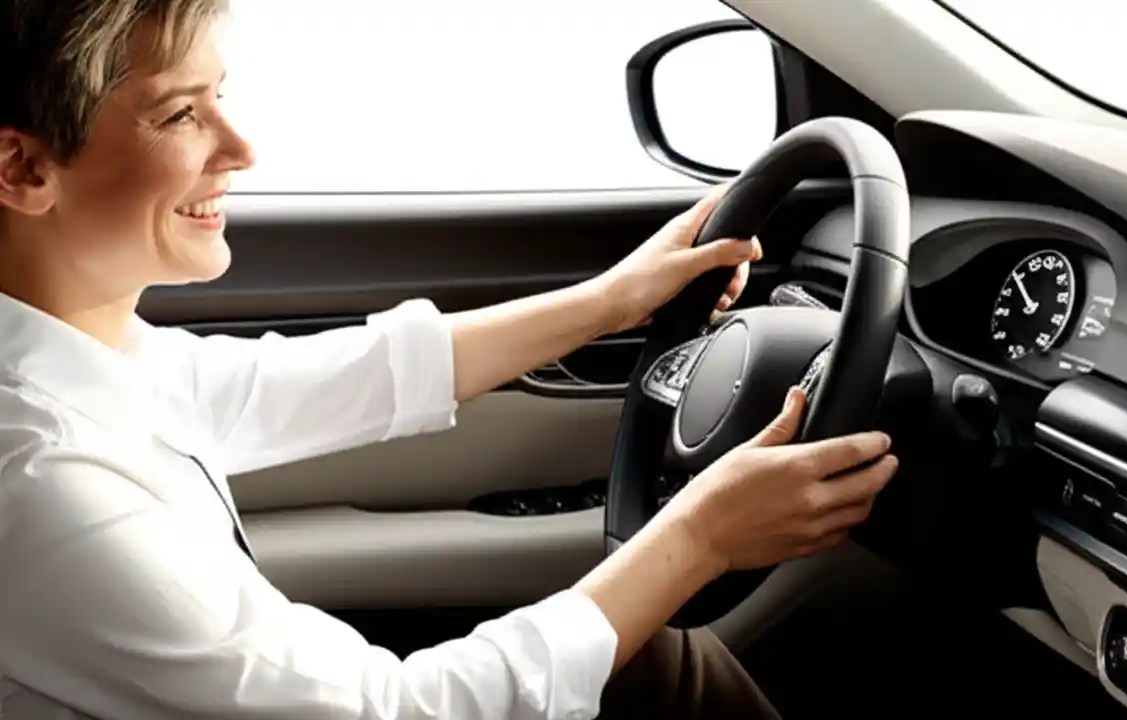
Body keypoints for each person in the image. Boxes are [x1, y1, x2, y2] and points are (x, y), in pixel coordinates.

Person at [0, 2, 899, 718]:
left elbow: (343, 377)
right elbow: (388, 712)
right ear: (21, 169)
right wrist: (700, 539)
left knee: (653, 662)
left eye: (220, 96)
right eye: (180, 113)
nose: (240, 149)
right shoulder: (39, 481)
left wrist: (613, 300)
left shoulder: (88, 358)